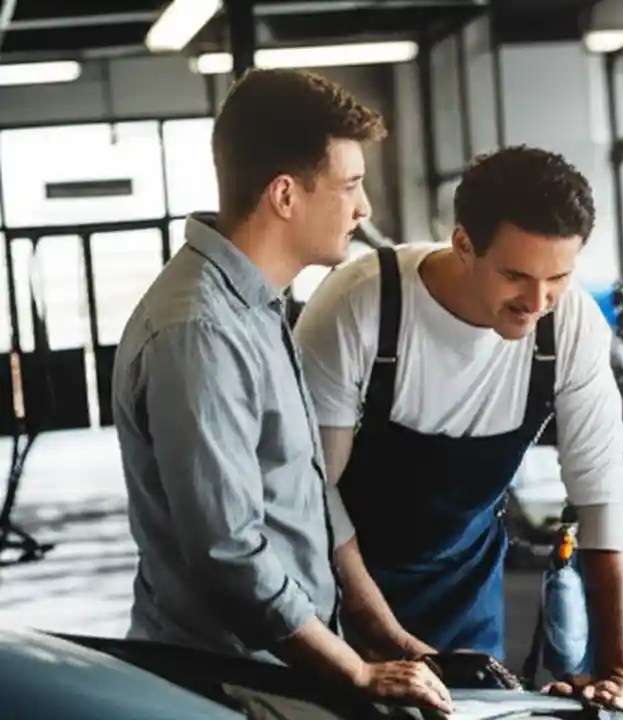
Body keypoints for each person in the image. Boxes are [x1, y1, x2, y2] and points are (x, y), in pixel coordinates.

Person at [111, 68, 451, 714]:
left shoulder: (256, 306)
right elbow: (228, 553)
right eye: (350, 185)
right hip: (228, 685)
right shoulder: (200, 330)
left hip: (283, 669)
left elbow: (307, 487)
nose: (365, 208)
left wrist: (372, 621)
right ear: (285, 195)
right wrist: (355, 673)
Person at [293, 145, 623, 712]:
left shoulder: (571, 324)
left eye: (558, 277)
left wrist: (618, 674)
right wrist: (387, 639)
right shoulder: (361, 306)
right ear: (463, 244)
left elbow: (602, 493)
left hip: (465, 579)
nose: (537, 303)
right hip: (338, 578)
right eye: (516, 275)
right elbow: (311, 495)